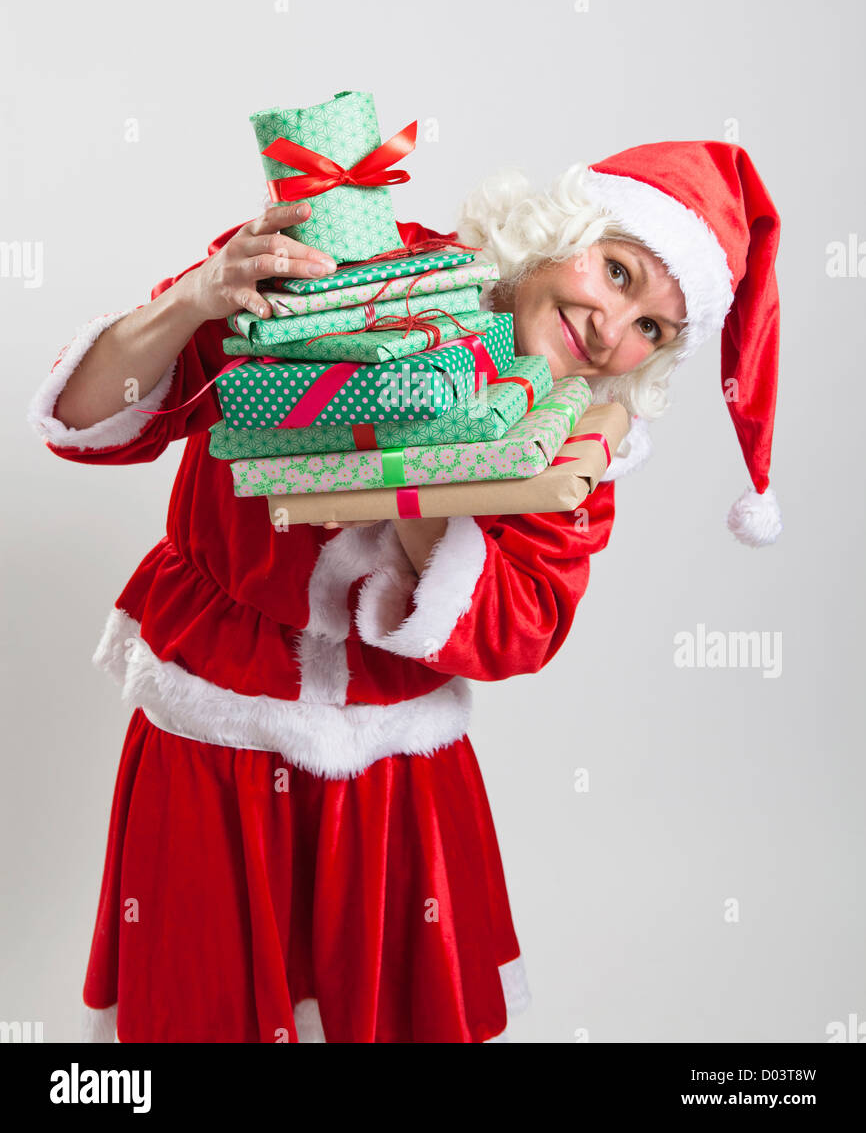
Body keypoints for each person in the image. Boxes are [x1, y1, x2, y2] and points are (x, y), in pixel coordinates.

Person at [27, 138, 781, 1044]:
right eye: (617, 272)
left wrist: (430, 458)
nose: (611, 332)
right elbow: (82, 426)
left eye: (653, 328)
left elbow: (520, 627)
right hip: (208, 727)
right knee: (195, 1011)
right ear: (559, 231)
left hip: (390, 780)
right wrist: (193, 301)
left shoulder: (574, 438)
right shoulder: (354, 273)